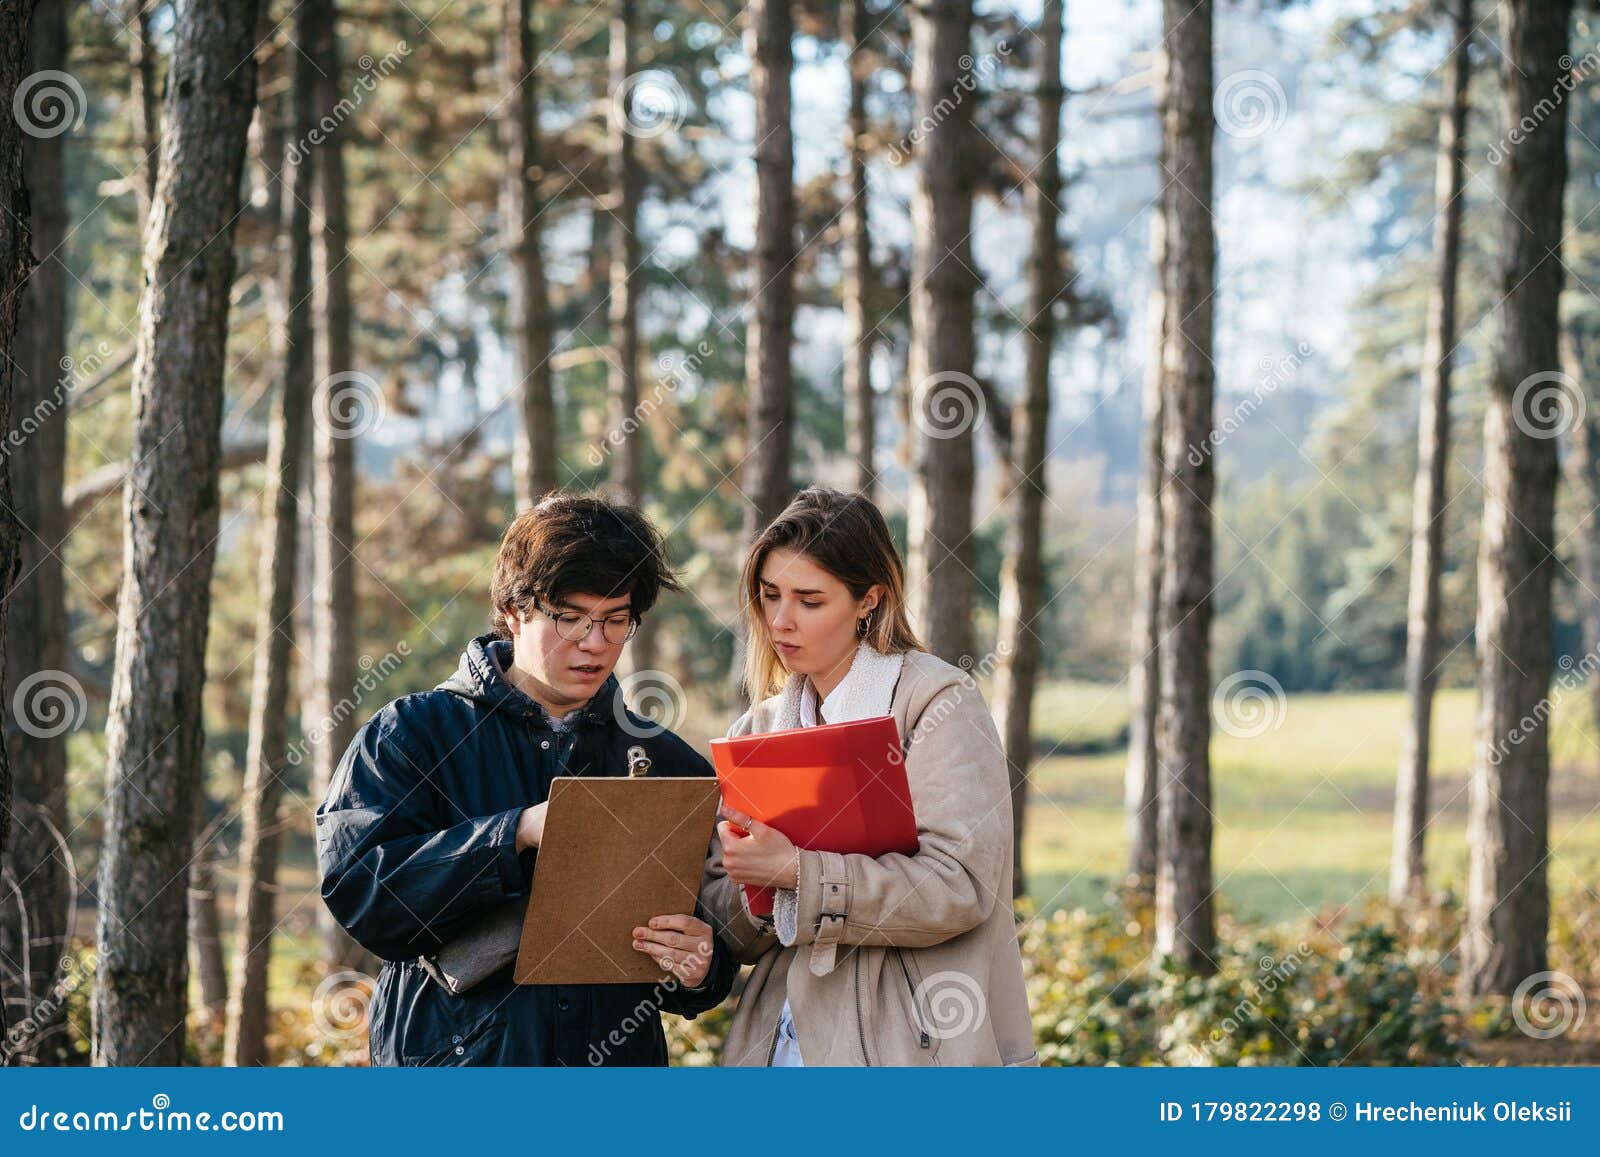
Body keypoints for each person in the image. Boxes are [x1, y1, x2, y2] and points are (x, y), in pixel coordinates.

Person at [316, 493, 735, 1065]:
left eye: (616, 621)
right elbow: (363, 896)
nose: (596, 643)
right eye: (570, 618)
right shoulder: (411, 734)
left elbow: (713, 939)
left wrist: (701, 965)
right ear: (514, 611)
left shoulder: (666, 760)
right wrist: (513, 833)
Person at [702, 488, 1037, 1066]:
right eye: (770, 595)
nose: (780, 621)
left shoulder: (937, 703)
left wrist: (797, 872)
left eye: (809, 600)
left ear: (869, 600)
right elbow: (728, 924)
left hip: (908, 1049)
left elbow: (961, 888)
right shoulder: (756, 729)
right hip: (779, 1046)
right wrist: (754, 888)